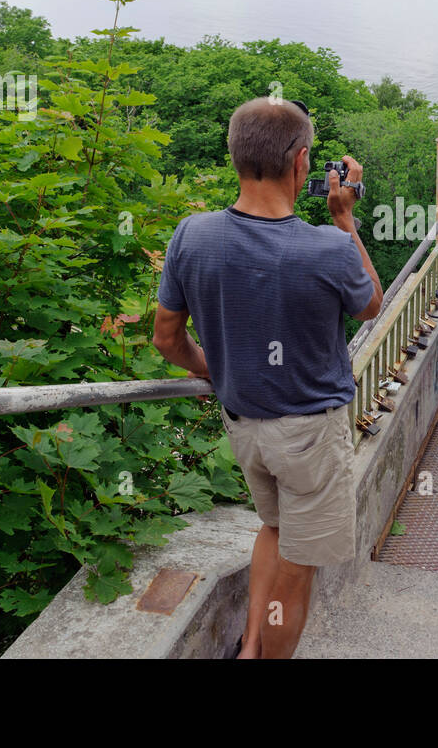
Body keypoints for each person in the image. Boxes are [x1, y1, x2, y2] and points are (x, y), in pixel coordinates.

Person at [152, 97, 383, 659]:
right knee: (298, 570)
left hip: (245, 428)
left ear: (234, 157)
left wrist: (223, 366)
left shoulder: (192, 235)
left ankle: (250, 647)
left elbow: (167, 340)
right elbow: (372, 304)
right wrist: (344, 217)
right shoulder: (326, 246)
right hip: (309, 434)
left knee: (274, 530)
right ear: (302, 162)